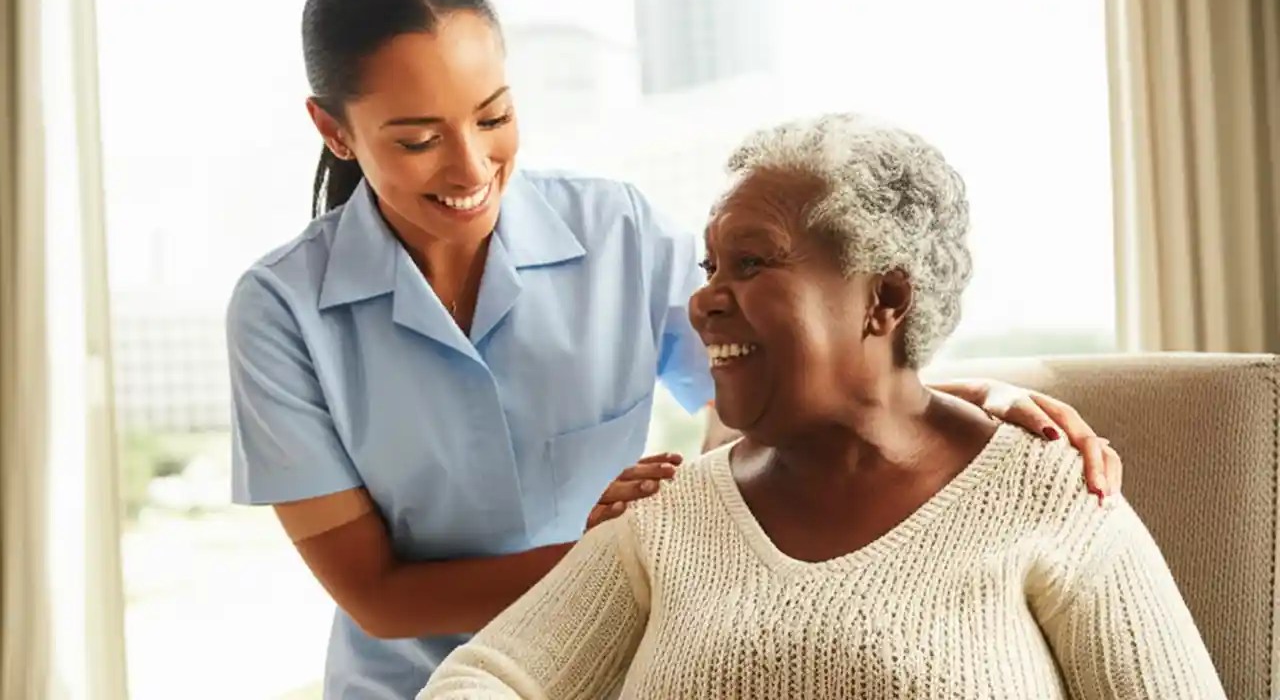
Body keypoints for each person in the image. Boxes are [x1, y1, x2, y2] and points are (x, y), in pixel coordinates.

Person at [226, 0, 1121, 697]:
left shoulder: (617, 232)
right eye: (418, 140)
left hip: (620, 672)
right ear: (334, 129)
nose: (470, 167)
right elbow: (377, 598)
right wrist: (633, 552)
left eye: (493, 118)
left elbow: (786, 384)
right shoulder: (280, 312)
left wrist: (962, 402)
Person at [418, 114, 1224, 699]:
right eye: (710, 267)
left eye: (751, 262)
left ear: (886, 298)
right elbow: (489, 677)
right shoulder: (668, 506)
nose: (704, 301)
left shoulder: (1051, 494)